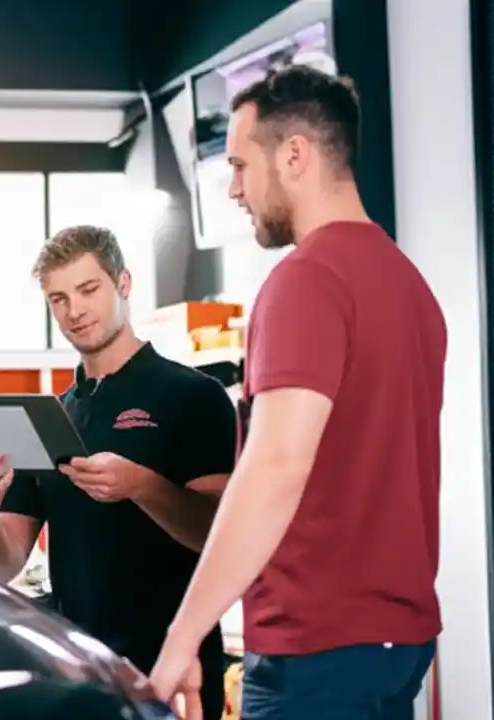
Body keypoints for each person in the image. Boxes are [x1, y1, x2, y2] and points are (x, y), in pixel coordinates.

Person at [148, 66, 446, 719]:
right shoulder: (410, 285)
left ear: (294, 155)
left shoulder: (306, 281)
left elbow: (275, 469)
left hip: (317, 651)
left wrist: (183, 635)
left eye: (239, 166)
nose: (233, 189)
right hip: (394, 646)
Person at [0, 225, 238, 720]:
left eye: (88, 290)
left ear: (123, 283)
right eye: (59, 299)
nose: (74, 310)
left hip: (173, 669)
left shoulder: (194, 397)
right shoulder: (49, 420)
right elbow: (3, 562)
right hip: (78, 674)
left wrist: (143, 486)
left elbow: (217, 535)